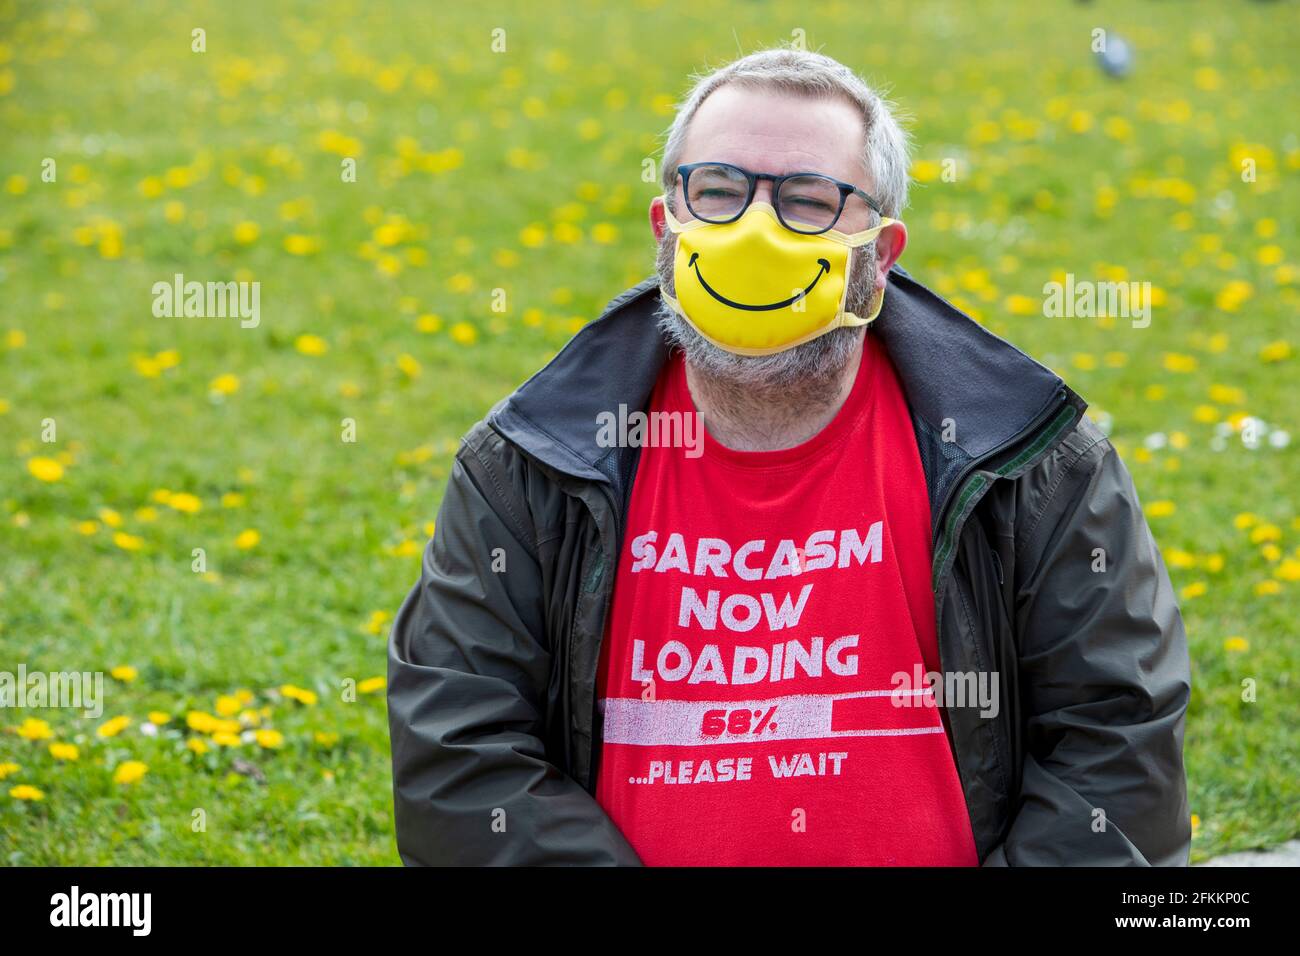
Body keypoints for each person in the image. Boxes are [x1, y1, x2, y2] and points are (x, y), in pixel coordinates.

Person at [386, 47, 1191, 866]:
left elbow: (1117, 749)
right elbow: (462, 758)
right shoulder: (526, 465)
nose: (754, 231)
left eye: (809, 201)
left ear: (881, 255)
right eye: (720, 192)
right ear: (666, 227)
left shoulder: (1034, 462)